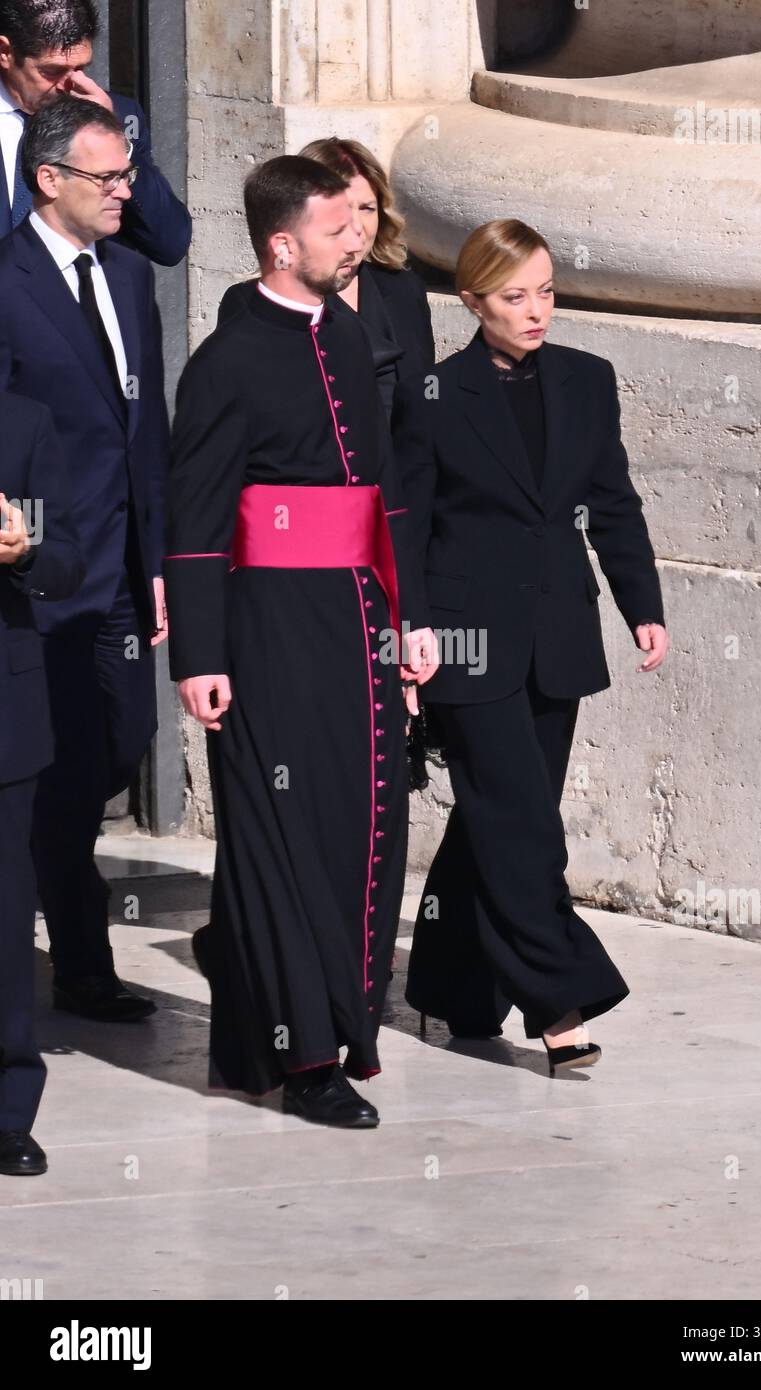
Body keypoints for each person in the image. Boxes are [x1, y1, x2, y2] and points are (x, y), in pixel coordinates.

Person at [164, 155, 438, 1129]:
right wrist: (197, 656)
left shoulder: (356, 335)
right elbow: (193, 518)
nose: (355, 238)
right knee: (279, 833)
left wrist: (410, 622)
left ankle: (301, 1026)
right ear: (283, 244)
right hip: (268, 624)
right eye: (335, 228)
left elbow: (388, 496)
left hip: (358, 617)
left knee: (358, 823)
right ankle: (306, 1055)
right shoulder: (227, 361)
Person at [392, 219, 669, 1074]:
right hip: (465, 644)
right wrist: (412, 631)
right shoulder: (434, 396)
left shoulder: (589, 382)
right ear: (473, 301)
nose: (537, 309)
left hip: (558, 632)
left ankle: (454, 986)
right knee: (519, 821)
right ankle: (559, 1000)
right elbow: (408, 526)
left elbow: (612, 503)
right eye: (515, 296)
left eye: (546, 290)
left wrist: (642, 606)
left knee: (495, 821)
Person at [0, 96, 170, 1022]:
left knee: (119, 742)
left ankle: (42, 892)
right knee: (60, 767)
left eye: (126, 174)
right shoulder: (5, 278)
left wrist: (162, 554)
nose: (123, 191)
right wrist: (21, 533)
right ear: (48, 179)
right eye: (106, 177)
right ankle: (81, 959)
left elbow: (147, 431)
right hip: (39, 571)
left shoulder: (131, 277)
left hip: (120, 572)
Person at [0, 391, 84, 1176]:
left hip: (4, 704)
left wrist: (25, 549)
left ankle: (7, 1109)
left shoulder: (23, 422)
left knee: (2, 920)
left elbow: (68, 561)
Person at [218, 137, 435, 417]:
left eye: (367, 208)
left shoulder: (404, 287)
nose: (356, 227)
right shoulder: (253, 302)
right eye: (339, 212)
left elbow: (426, 400)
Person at [0, 0, 191, 264]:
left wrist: (112, 134)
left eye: (80, 68)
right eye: (52, 71)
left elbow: (170, 242)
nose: (71, 83)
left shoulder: (118, 114)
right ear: (5, 53)